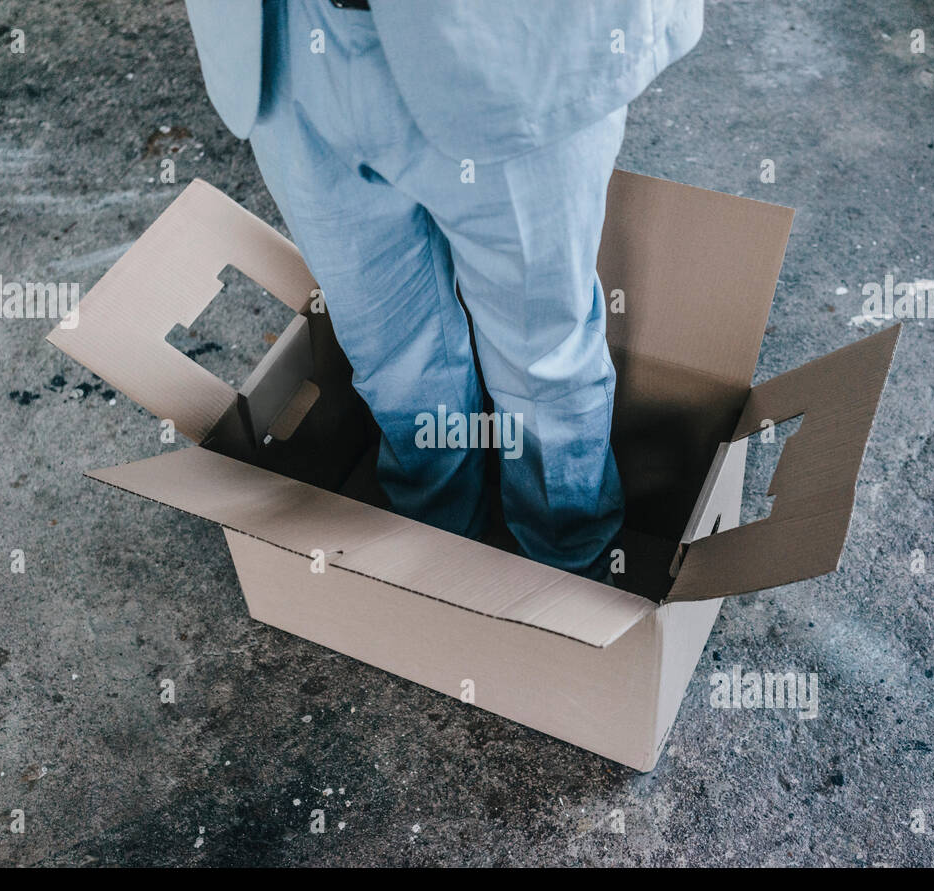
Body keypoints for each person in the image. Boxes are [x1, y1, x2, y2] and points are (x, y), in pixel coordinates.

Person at [184, 0, 704, 581]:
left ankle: (571, 580)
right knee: (387, 349)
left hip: (512, 42)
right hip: (282, 34)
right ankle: (435, 563)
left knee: (542, 360)